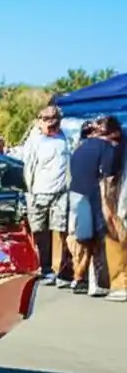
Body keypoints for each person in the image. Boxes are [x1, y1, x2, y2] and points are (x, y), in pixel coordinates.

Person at [66, 115, 118, 296]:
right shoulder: (108, 148)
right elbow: (108, 179)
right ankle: (94, 282)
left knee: (82, 238)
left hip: (75, 194)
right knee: (97, 240)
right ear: (114, 133)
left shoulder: (80, 148)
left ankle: (79, 278)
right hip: (92, 196)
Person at [22, 105, 74, 287]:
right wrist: (30, 192)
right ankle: (44, 268)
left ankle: (62, 271)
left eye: (54, 119)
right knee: (39, 232)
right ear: (40, 121)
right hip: (38, 193)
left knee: (61, 232)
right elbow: (28, 167)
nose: (51, 123)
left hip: (61, 193)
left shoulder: (65, 138)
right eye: (46, 119)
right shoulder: (34, 140)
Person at [94, 116, 126, 301]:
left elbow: (111, 180)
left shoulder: (113, 149)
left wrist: (109, 208)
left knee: (116, 238)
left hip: (120, 199)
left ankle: (121, 284)